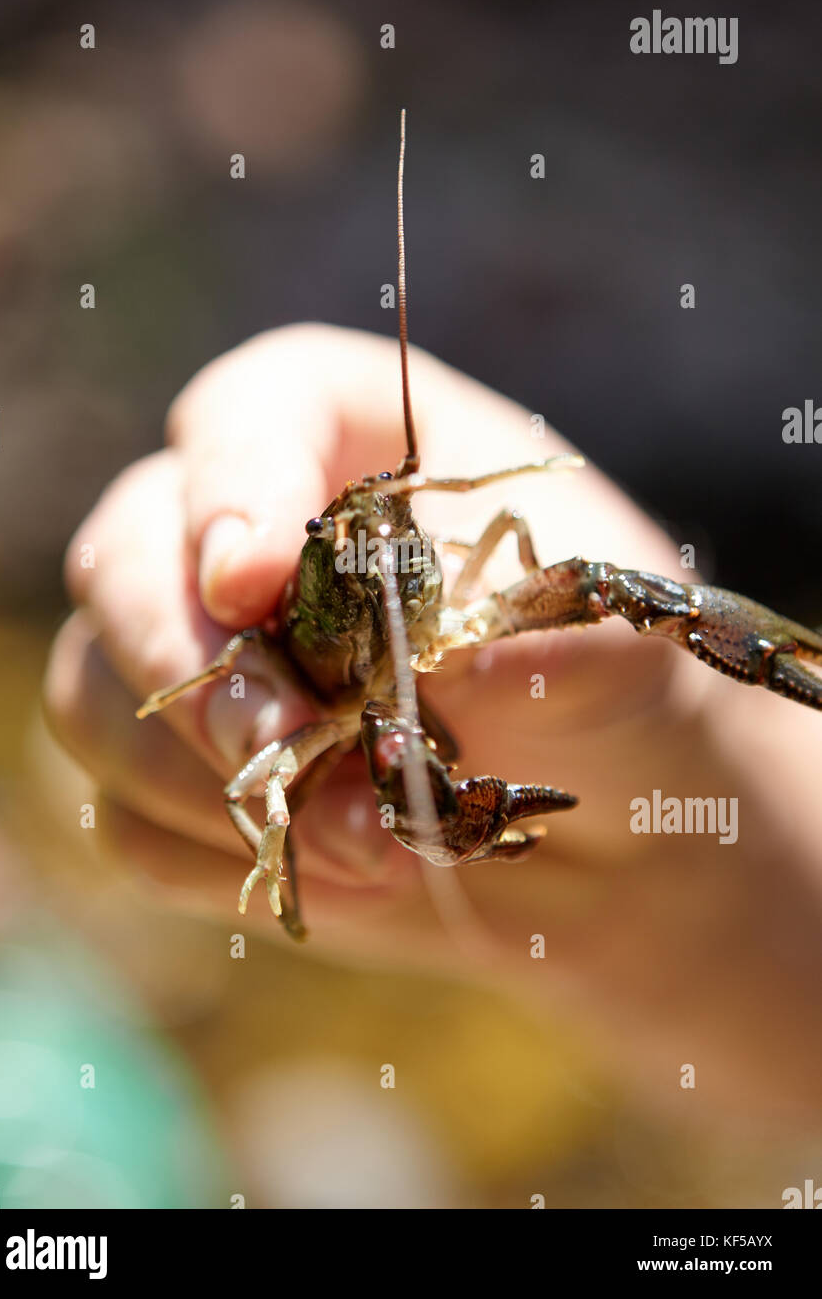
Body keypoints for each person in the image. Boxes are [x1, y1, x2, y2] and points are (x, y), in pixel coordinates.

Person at [44, 323, 822, 1120]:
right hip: (347, 718)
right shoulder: (352, 677)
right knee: (263, 781)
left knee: (603, 581)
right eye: (351, 543)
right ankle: (296, 886)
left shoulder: (436, 568)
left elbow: (537, 542)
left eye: (399, 527)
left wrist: (702, 731)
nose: (386, 545)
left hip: (443, 709)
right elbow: (253, 778)